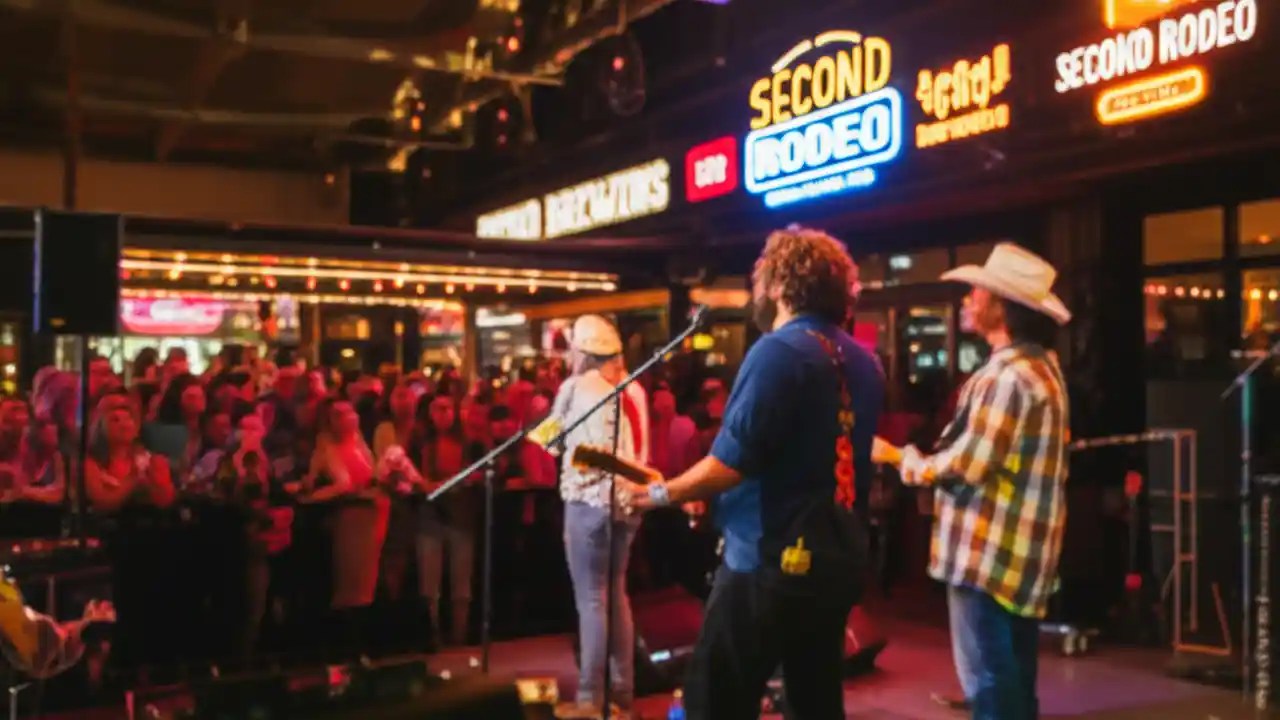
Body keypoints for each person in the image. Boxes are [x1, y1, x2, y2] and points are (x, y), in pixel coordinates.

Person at [621, 226, 884, 720]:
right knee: (814, 698)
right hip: (837, 559)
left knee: (715, 701)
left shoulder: (777, 351)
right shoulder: (864, 361)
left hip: (769, 560)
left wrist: (662, 493)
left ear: (781, 283)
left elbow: (731, 461)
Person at [874, 243, 1071, 720]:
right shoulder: (1044, 370)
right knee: (1015, 680)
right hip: (1022, 556)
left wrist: (899, 456)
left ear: (1000, 306)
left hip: (987, 555)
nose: (967, 299)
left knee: (989, 683)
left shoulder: (1005, 377)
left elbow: (966, 467)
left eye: (976, 292)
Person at [550, 314, 649, 716]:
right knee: (615, 595)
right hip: (628, 505)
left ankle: (591, 697)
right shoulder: (635, 390)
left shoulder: (575, 388)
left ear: (584, 353)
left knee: (591, 599)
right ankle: (622, 694)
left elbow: (551, 441)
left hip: (587, 503)